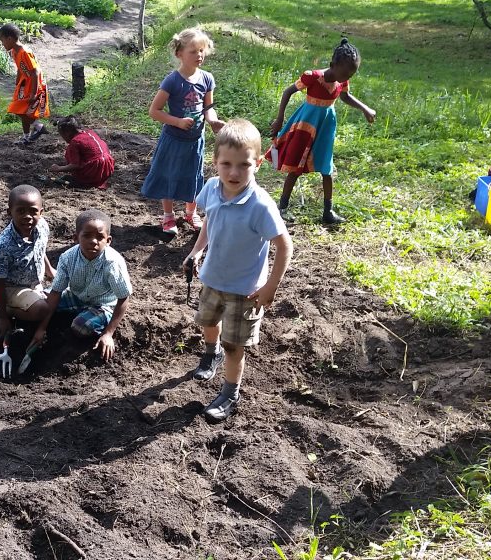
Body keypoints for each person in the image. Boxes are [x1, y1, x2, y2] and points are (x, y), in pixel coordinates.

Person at [184, 119, 293, 423]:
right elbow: (209, 221)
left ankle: (230, 391)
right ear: (215, 162)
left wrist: (270, 287)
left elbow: (285, 247)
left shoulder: (260, 205)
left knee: (235, 345)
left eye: (243, 165)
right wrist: (196, 251)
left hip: (246, 291)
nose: (234, 173)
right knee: (206, 322)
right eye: (226, 164)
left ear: (257, 163)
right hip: (212, 278)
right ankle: (211, 351)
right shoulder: (211, 189)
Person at [268, 38, 376, 225]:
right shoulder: (313, 76)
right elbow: (288, 91)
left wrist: (365, 108)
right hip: (306, 125)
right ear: (332, 65)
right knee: (296, 167)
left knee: (326, 168)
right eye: (344, 72)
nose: (346, 77)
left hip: (326, 127)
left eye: (351, 73)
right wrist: (280, 118)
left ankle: (328, 211)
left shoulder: (343, 80)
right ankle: (281, 209)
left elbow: (345, 96)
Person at [141, 27, 225, 236]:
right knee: (169, 175)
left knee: (193, 175)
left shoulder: (207, 79)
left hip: (196, 140)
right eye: (193, 51)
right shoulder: (173, 81)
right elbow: (154, 111)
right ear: (179, 54)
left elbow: (208, 107)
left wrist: (213, 121)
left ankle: (191, 212)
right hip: (174, 139)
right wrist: (177, 122)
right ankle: (168, 216)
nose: (199, 55)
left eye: (202, 51)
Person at [31, 209, 132, 362]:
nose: (93, 241)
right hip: (75, 295)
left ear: (108, 240)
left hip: (104, 304)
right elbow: (56, 292)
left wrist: (108, 333)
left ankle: (93, 320)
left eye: (100, 237)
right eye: (87, 236)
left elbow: (123, 298)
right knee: (36, 304)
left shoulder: (112, 263)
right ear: (76, 238)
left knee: (80, 326)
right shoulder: (67, 258)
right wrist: (41, 328)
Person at [0, 185, 55, 343]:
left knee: (57, 299)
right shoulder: (4, 245)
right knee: (42, 310)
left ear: (41, 212)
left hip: (34, 283)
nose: (27, 216)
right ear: (10, 212)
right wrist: (3, 318)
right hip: (12, 287)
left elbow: (40, 250)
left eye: (33, 211)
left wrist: (50, 271)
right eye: (21, 211)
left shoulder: (42, 227)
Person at [0, 23, 50, 145]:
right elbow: (20, 68)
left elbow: (35, 72)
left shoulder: (24, 52)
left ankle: (38, 127)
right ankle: (27, 136)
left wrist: (33, 93)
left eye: (2, 40)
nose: (2, 43)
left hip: (33, 84)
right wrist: (18, 80)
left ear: (9, 38)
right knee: (20, 109)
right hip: (24, 83)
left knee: (19, 110)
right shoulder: (14, 52)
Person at [49, 116, 115, 190]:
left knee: (69, 179)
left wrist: (58, 168)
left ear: (67, 133)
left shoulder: (75, 142)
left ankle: (85, 182)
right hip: (107, 168)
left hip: (94, 170)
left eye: (62, 135)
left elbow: (75, 165)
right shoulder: (90, 132)